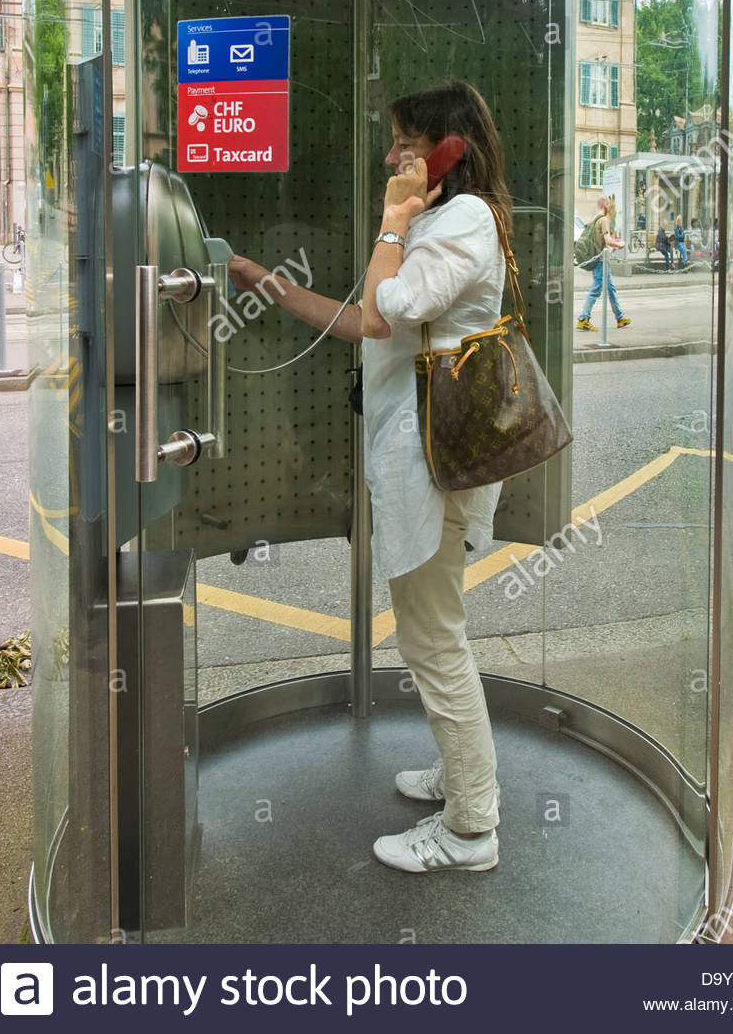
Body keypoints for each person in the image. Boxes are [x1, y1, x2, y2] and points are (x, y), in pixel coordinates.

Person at [229, 80, 506, 873]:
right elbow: (360, 323)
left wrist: (394, 220)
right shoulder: (443, 222)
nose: (390, 157)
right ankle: (461, 779)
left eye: (405, 144)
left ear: (448, 152)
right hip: (420, 459)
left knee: (433, 644)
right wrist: (266, 284)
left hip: (436, 467)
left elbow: (387, 309)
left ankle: (471, 831)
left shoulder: (463, 221)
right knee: (432, 637)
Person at [576, 195, 631, 330]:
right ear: (605, 204)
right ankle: (583, 318)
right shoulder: (604, 220)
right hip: (600, 262)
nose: (611, 206)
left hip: (600, 260)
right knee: (596, 290)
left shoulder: (594, 219)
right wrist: (621, 244)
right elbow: (608, 241)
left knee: (611, 290)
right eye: (609, 204)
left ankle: (620, 317)